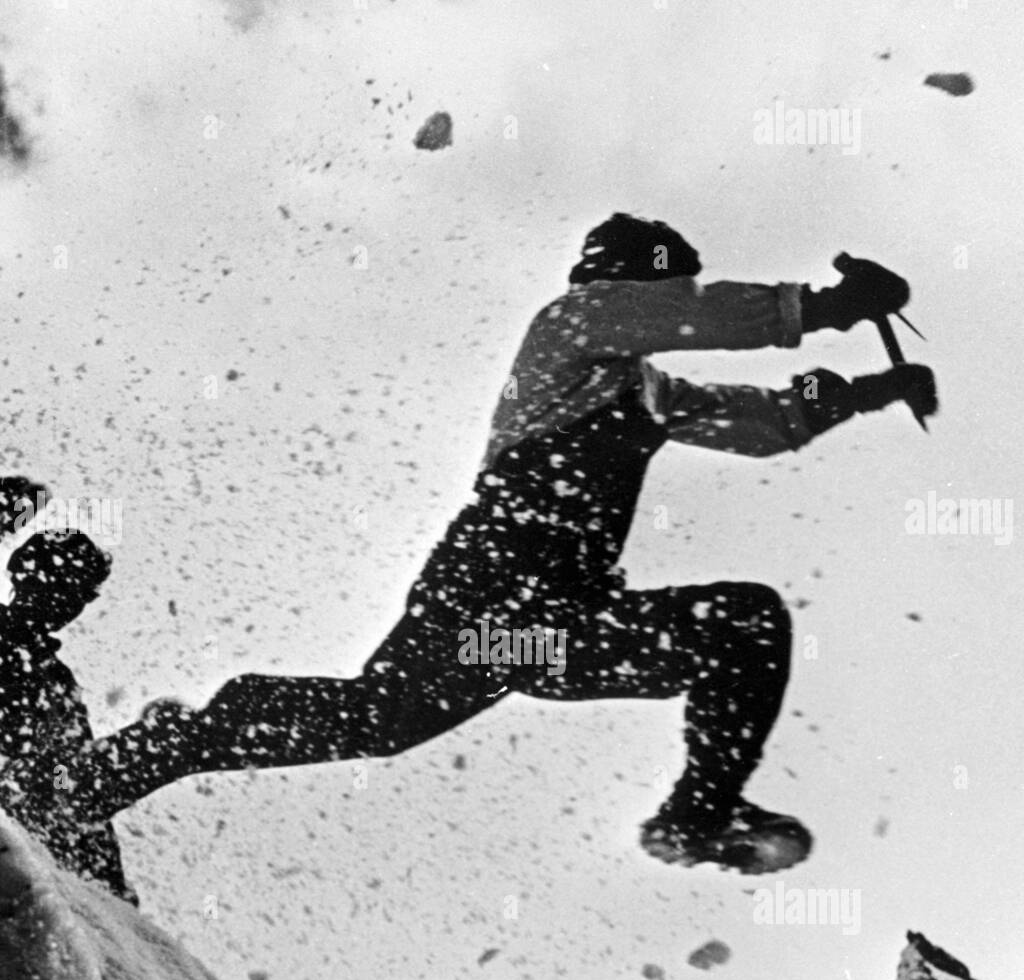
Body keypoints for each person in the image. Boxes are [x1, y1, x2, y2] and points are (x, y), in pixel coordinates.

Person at [8, 215, 937, 877]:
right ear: (631, 283)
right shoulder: (573, 323)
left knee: (737, 626)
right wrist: (826, 305)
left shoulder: (648, 391)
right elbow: (694, 313)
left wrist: (864, 393)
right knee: (380, 718)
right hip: (488, 610)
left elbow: (761, 422)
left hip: (543, 626)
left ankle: (699, 816)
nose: (668, 306)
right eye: (663, 289)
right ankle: (124, 765)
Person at [0, 477, 135, 899]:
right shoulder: (44, 677)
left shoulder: (57, 685)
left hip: (25, 833)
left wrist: (105, 878)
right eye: (63, 588)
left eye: (76, 595)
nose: (68, 604)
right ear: (22, 573)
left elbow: (67, 772)